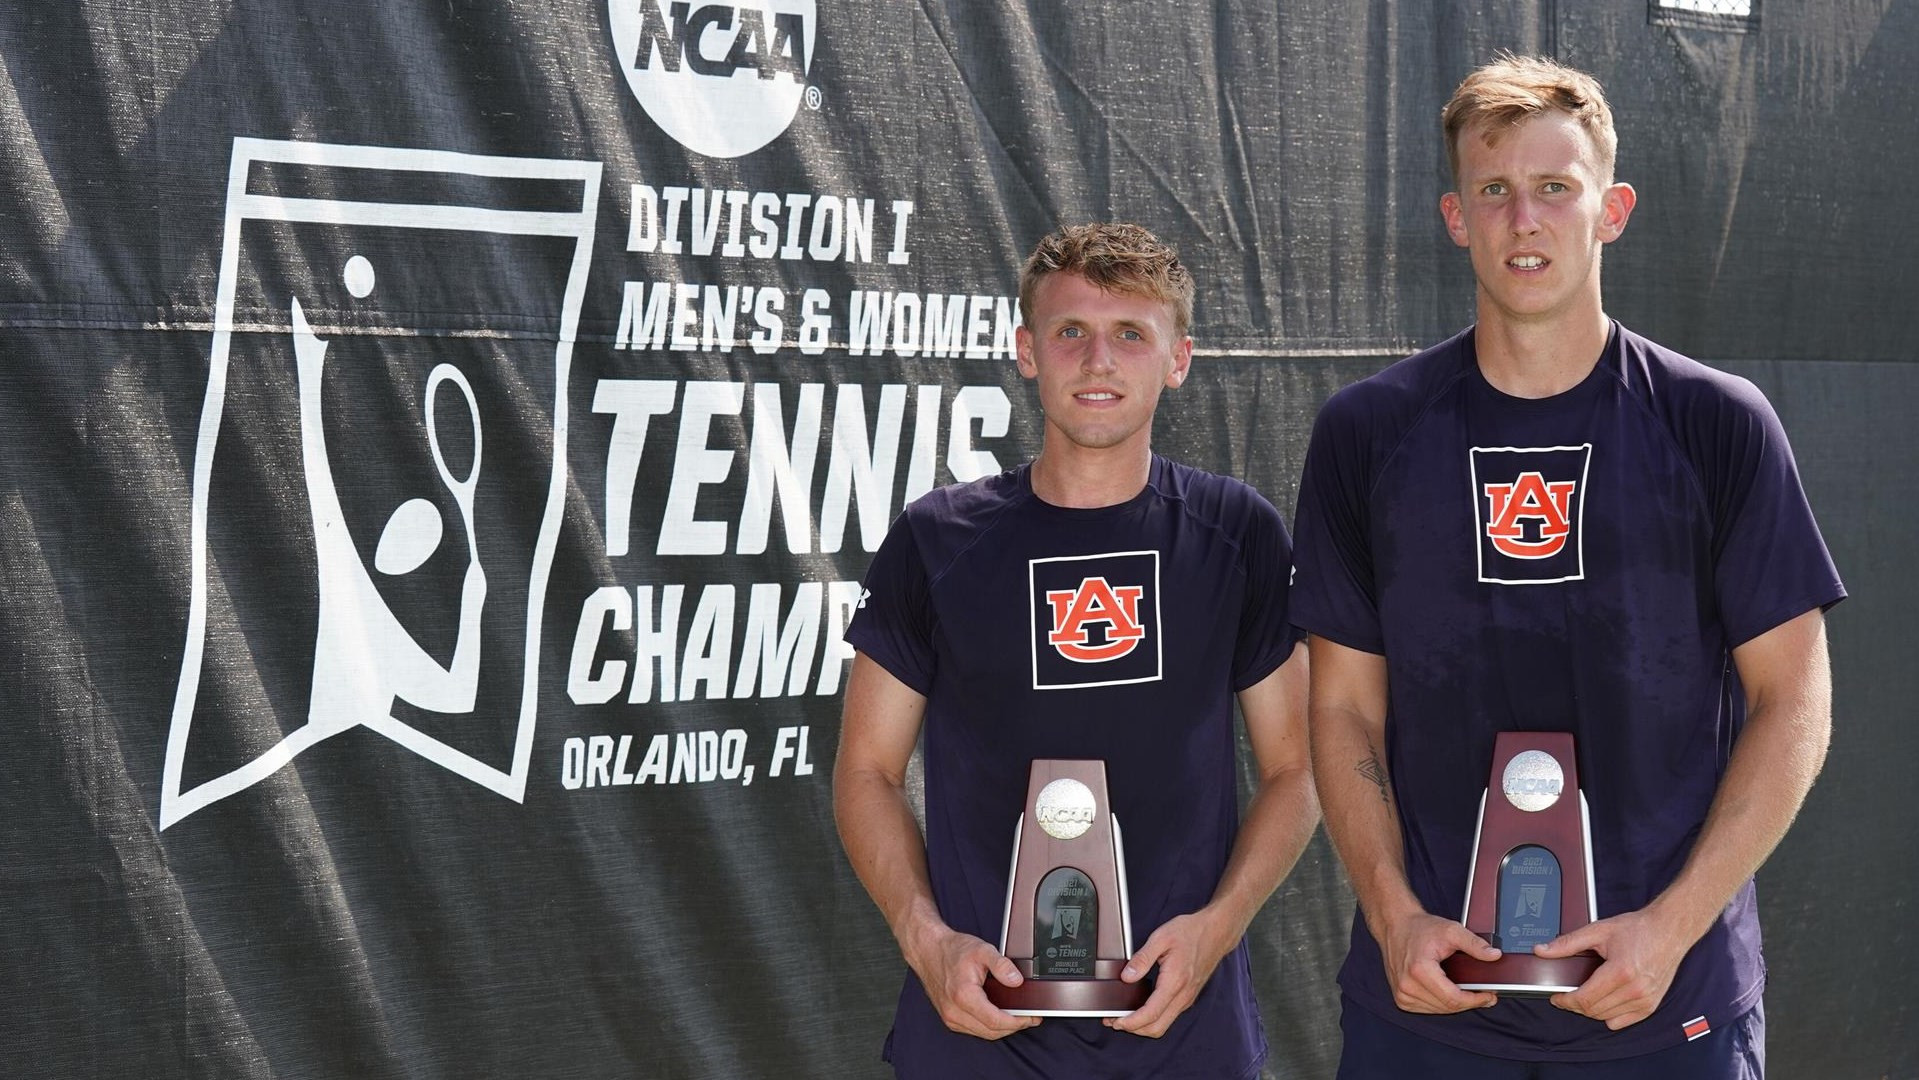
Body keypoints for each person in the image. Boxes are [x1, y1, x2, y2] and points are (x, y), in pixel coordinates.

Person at [1290, 53, 1845, 1078]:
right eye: (1492, 191)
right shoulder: (1365, 434)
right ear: (1454, 218)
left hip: (1662, 997)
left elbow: (1792, 701)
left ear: (1611, 210)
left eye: (1554, 187)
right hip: (1429, 1005)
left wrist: (1671, 928)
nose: (1523, 221)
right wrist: (1392, 913)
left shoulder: (1715, 423)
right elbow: (1341, 709)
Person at [833, 222, 1318, 1079]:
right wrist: (926, 939)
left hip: (1179, 1029)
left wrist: (1216, 929)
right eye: (1070, 332)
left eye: (1130, 333)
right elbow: (866, 769)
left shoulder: (1234, 532)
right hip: (977, 1030)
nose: (1098, 361)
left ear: (1177, 359)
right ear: (1027, 351)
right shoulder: (937, 537)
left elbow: (1297, 769)